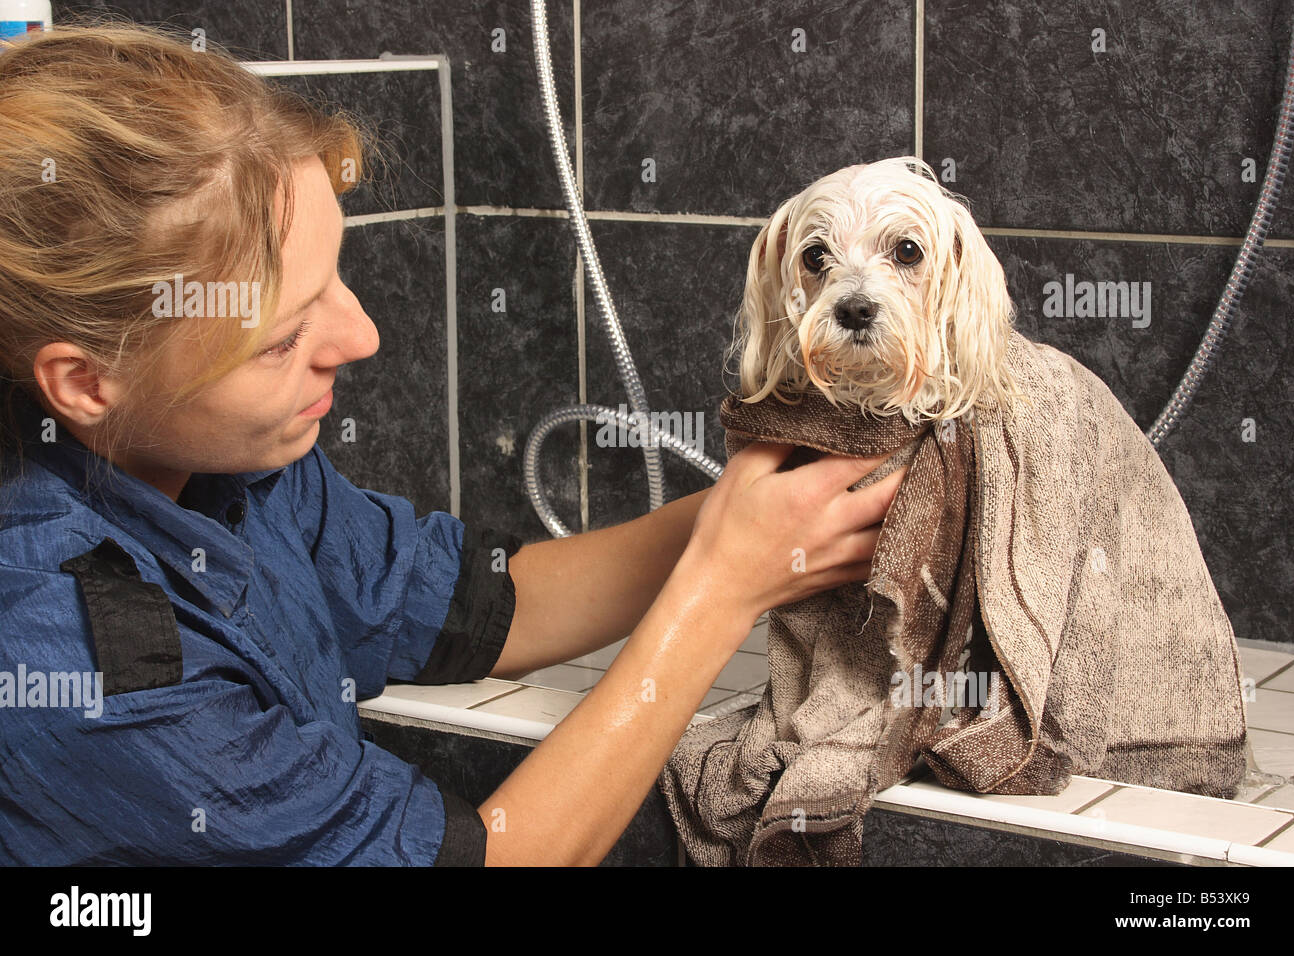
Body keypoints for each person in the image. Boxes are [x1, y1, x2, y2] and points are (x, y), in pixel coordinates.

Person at [0, 22, 904, 866]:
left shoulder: (223, 467)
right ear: (85, 383)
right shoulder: (71, 649)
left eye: (335, 277)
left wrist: (756, 511)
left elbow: (487, 606)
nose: (361, 338)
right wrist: (721, 592)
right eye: (282, 337)